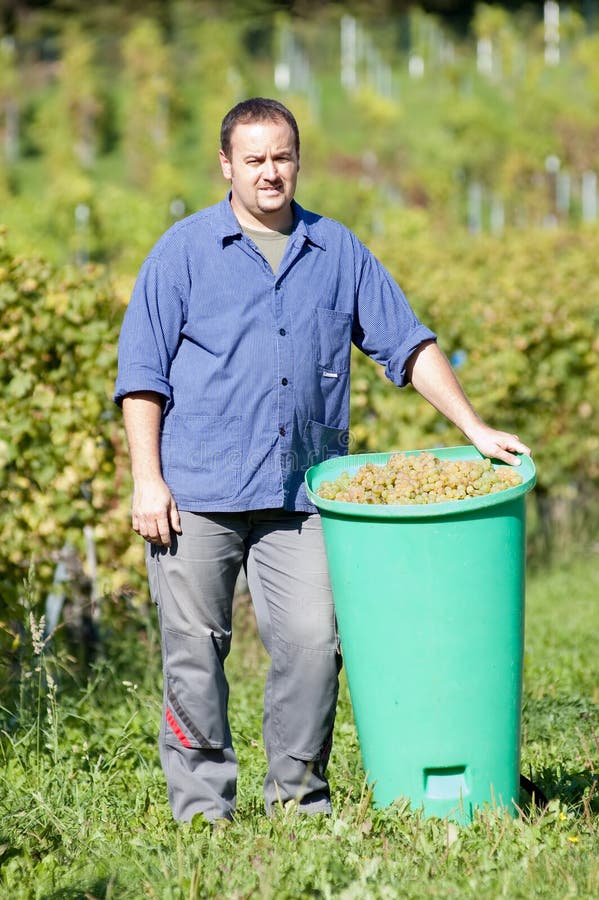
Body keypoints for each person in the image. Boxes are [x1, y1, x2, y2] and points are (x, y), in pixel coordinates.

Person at [114, 97, 530, 825]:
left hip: (300, 495)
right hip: (196, 492)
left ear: (297, 160)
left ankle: (298, 801)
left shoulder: (336, 251)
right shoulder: (181, 253)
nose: (269, 172)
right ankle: (202, 812)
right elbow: (142, 375)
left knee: (315, 645)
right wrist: (147, 480)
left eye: (281, 157)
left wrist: (471, 426)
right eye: (253, 159)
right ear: (226, 165)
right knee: (193, 653)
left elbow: (407, 344)